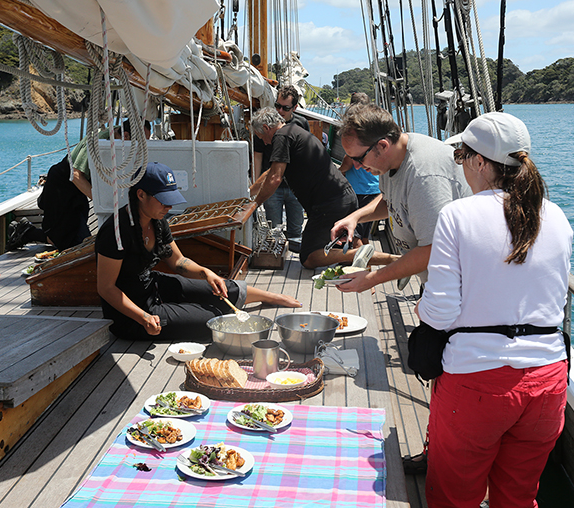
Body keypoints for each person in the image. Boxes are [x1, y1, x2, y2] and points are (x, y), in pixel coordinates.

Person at [416, 112, 572, 508]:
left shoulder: (458, 215)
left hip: (477, 383)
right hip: (547, 381)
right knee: (519, 507)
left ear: (481, 163)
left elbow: (440, 312)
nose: (461, 164)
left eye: (462, 155)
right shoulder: (556, 216)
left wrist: (421, 311)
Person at [96, 161, 301, 341]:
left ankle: (271, 297)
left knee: (223, 290)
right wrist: (144, 317)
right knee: (213, 320)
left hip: (153, 287)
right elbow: (106, 288)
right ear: (141, 194)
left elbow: (178, 262)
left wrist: (206, 273)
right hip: (132, 315)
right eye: (163, 199)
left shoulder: (157, 222)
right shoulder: (117, 231)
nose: (169, 206)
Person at [332, 104, 470, 294]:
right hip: (435, 281)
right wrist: (355, 218)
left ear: (382, 145)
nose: (355, 166)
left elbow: (433, 250)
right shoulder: (390, 158)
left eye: (359, 158)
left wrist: (372, 279)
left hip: (459, 287)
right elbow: (391, 201)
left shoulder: (424, 175)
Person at [249, 106, 399, 269]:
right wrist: (248, 193)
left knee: (309, 257)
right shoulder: (294, 131)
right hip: (344, 195)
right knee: (349, 242)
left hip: (328, 204)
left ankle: (378, 258)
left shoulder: (280, 136)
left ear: (266, 128)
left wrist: (255, 204)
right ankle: (394, 262)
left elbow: (275, 178)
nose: (264, 142)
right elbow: (271, 172)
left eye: (261, 137)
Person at [10, 119, 151, 251]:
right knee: (74, 243)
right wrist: (101, 202)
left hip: (78, 189)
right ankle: (26, 232)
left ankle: (31, 232)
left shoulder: (119, 133)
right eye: (141, 142)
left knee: (74, 237)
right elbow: (76, 175)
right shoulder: (98, 141)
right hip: (63, 185)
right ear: (126, 136)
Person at [253, 85, 307, 244]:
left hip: (295, 187)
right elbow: (258, 157)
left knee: (296, 230)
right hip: (272, 187)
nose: (280, 110)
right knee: (273, 231)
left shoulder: (301, 124)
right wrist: (255, 188)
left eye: (285, 107)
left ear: (295, 108)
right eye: (277, 106)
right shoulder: (265, 125)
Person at [338, 93, 380, 244]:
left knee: (355, 235)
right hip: (375, 188)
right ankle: (367, 263)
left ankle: (360, 264)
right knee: (364, 235)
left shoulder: (356, 134)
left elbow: (348, 164)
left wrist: (337, 172)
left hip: (359, 190)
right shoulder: (373, 131)